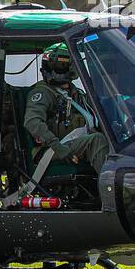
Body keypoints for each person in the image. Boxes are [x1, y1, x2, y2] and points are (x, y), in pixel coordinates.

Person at [23, 43, 110, 173]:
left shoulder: (76, 94)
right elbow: (32, 122)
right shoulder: (43, 93)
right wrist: (59, 148)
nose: (54, 70)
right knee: (96, 140)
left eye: (60, 66)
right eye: (52, 65)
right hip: (51, 149)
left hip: (73, 141)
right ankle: (110, 189)